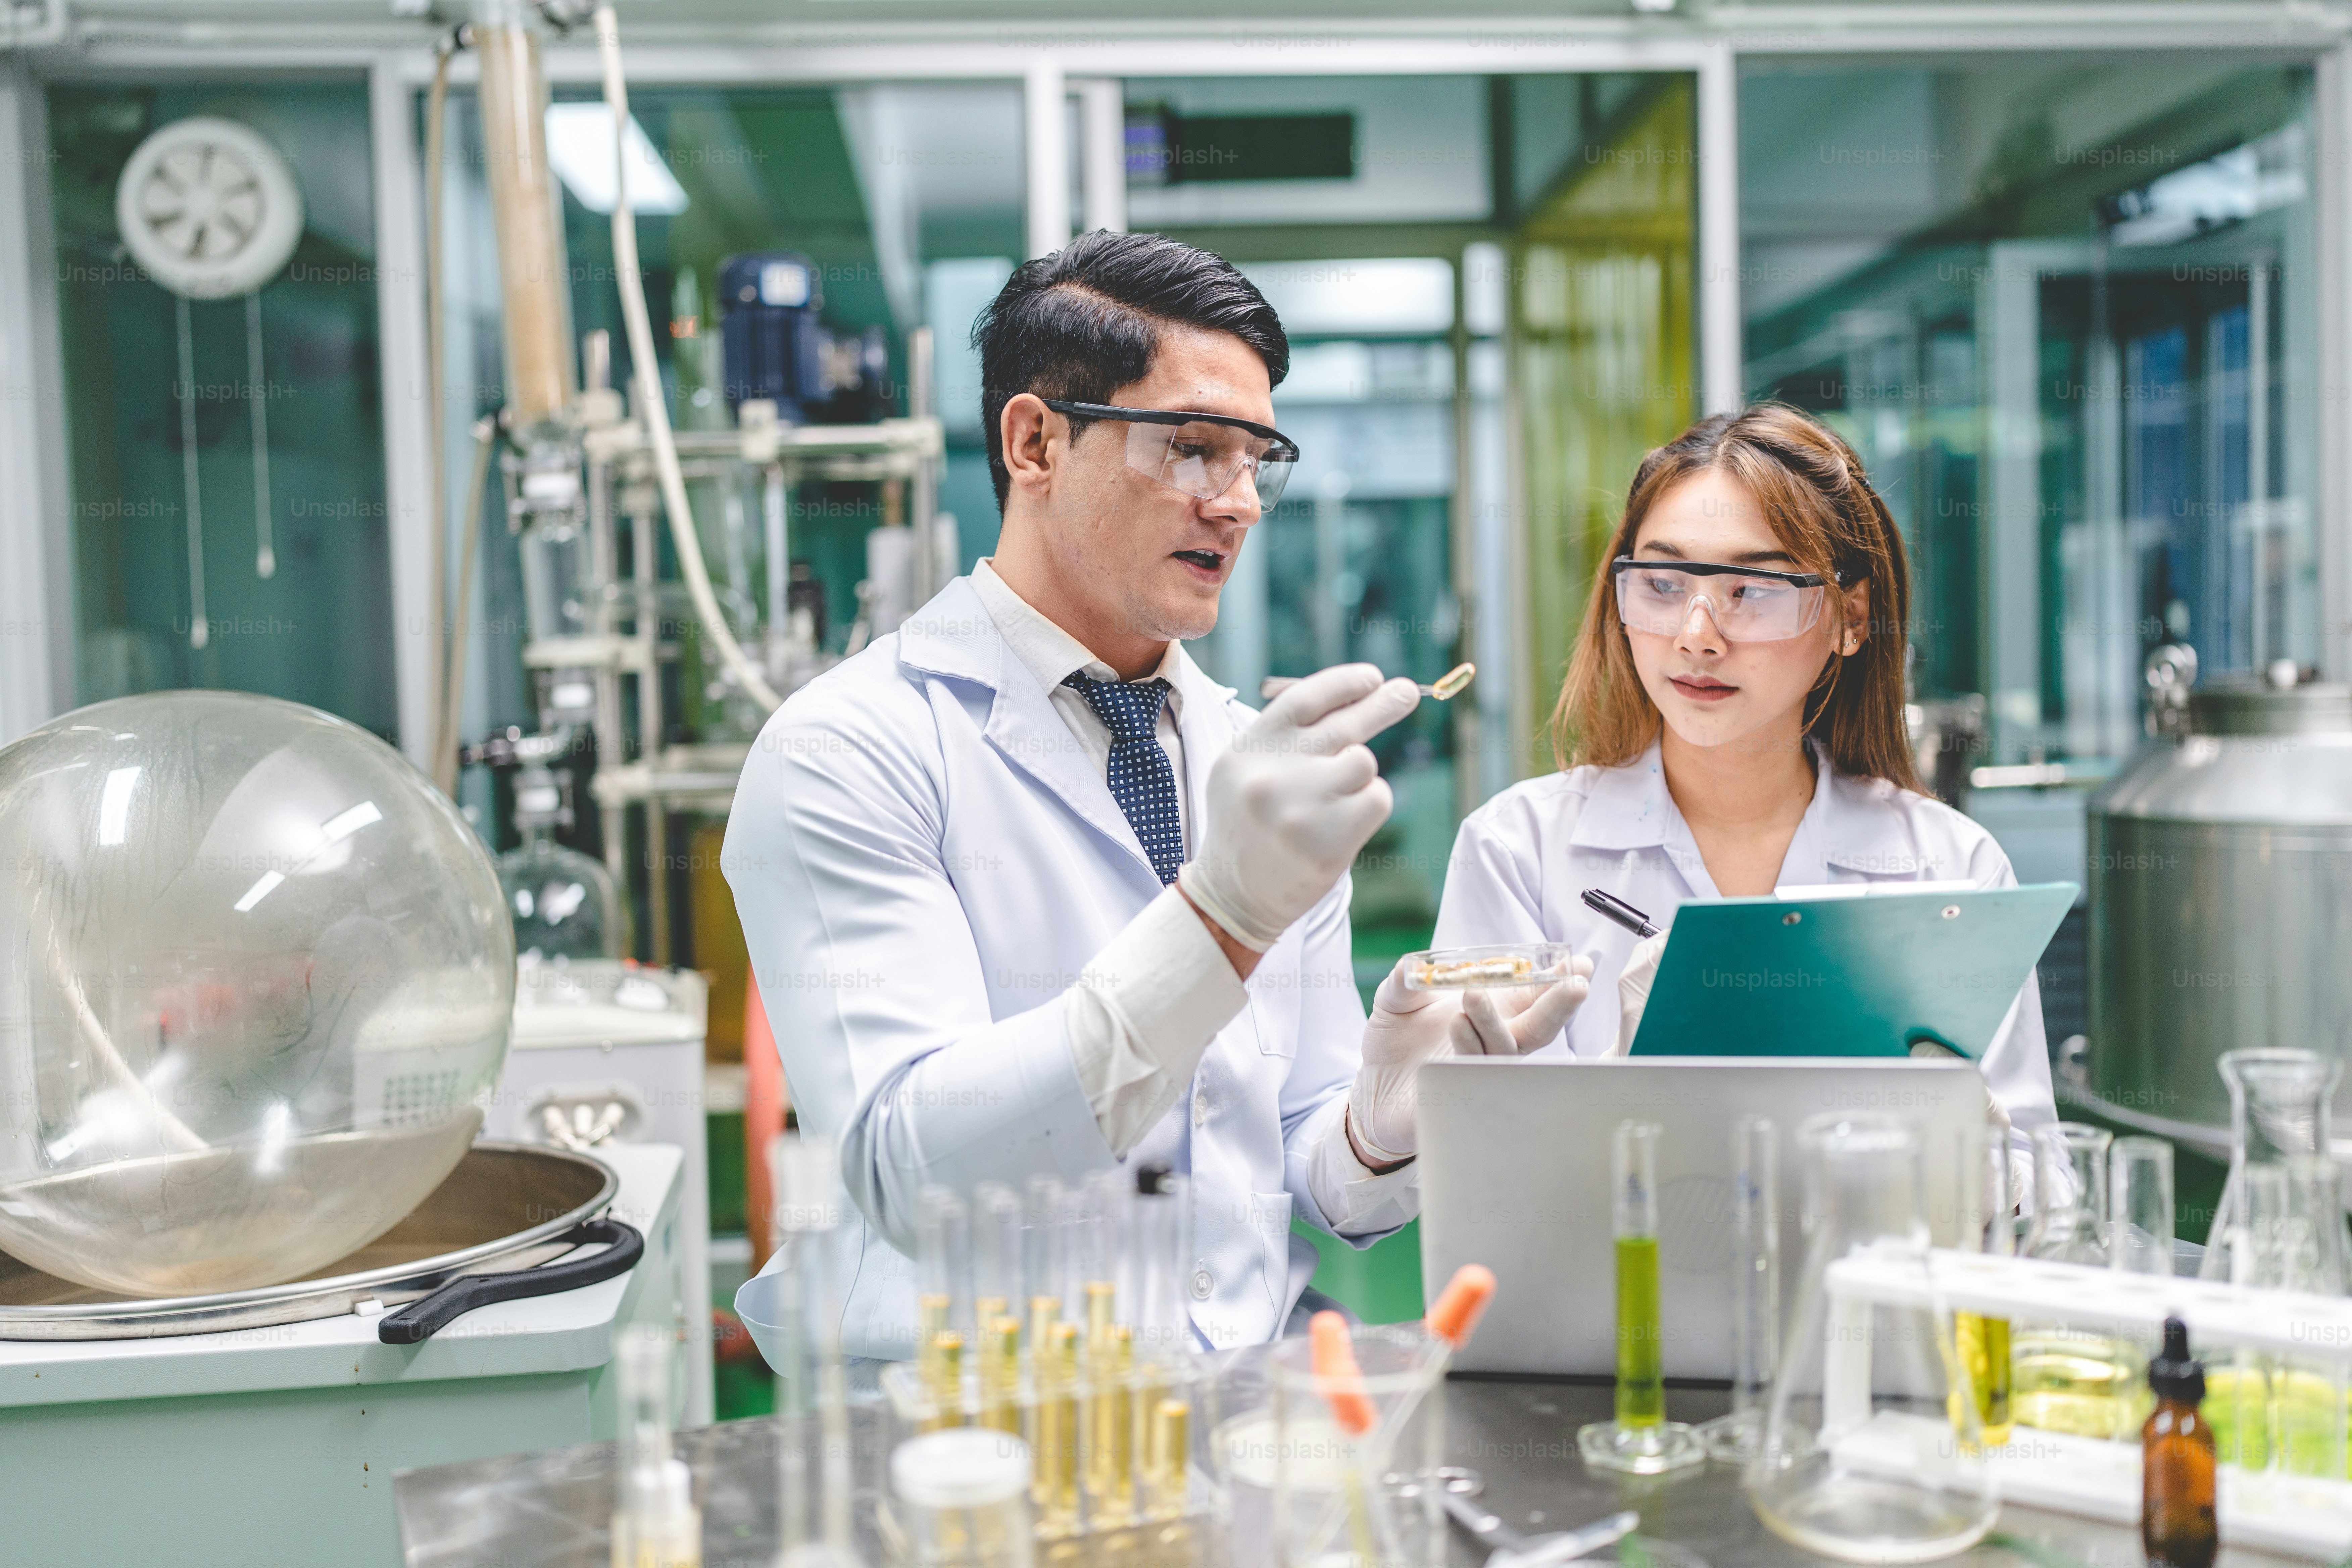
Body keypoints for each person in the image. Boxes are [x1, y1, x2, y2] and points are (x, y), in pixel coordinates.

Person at [724, 231, 1582, 1361]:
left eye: (1254, 460)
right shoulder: (851, 748)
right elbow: (908, 1174)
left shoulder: (1249, 760)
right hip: (975, 1434)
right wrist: (1219, 923)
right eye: (1190, 450)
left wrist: (1386, 1119)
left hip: (1237, 1410)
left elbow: (1306, 1172)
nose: (1237, 504)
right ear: (1033, 441)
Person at [1432, 405, 2057, 1190]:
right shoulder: (1519, 851)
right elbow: (1482, 1189)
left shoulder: (1951, 865)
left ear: (1851, 615)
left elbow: (2048, 1191)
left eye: (1751, 588)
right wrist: (1619, 1105)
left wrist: (1978, 1156)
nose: (1697, 634)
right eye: (1661, 582)